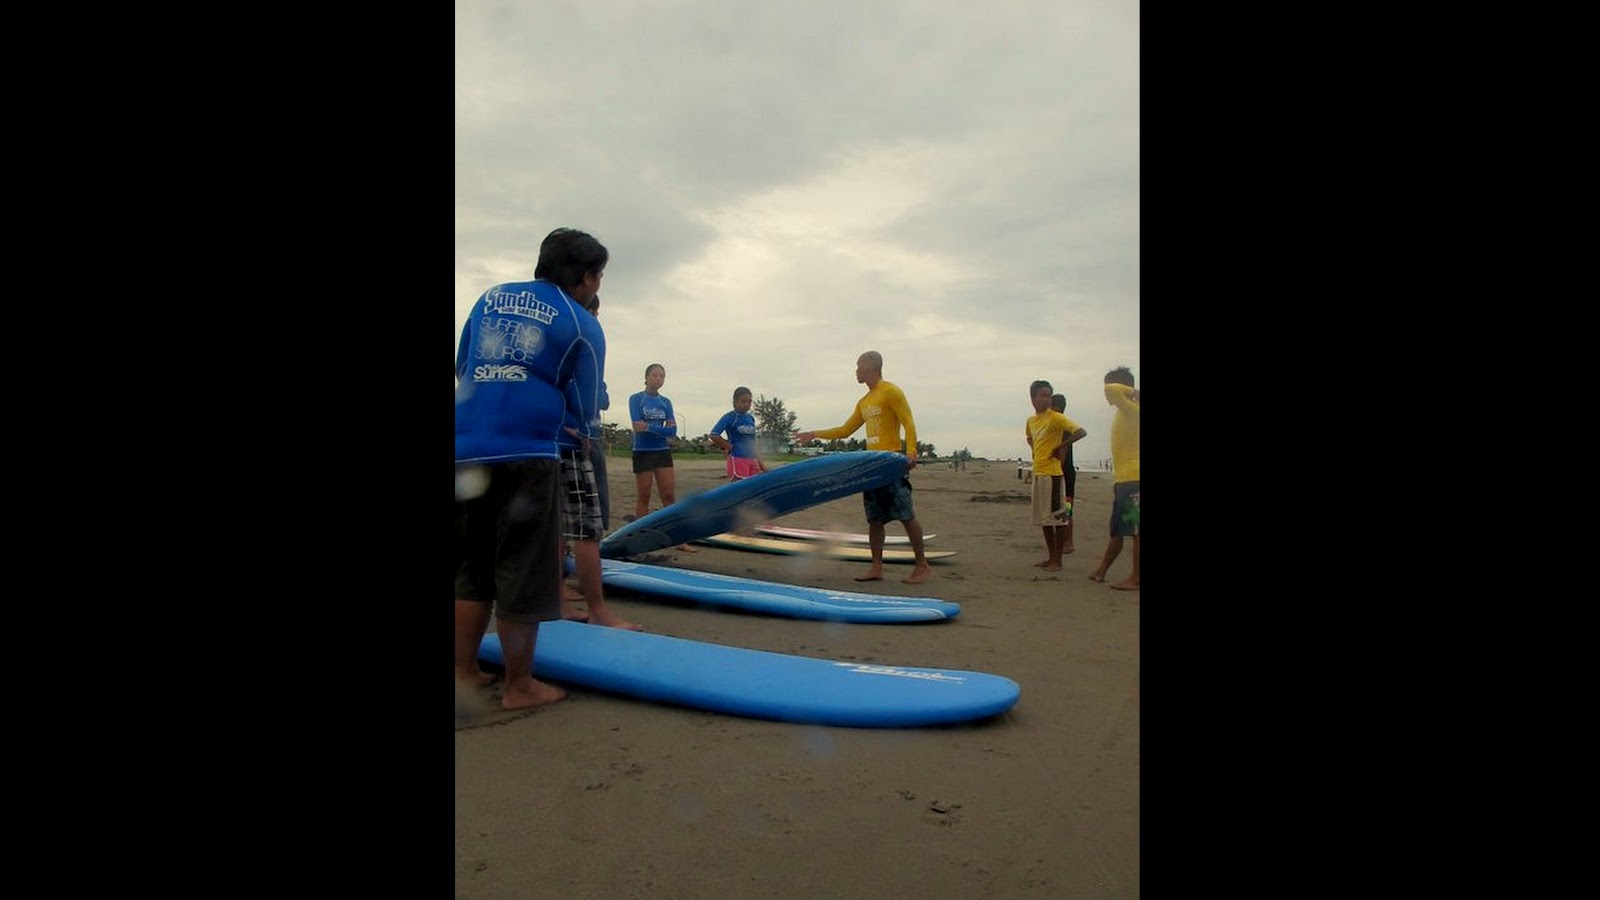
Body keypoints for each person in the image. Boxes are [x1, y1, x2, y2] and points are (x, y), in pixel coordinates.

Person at [455, 226, 608, 710]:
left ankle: (462, 672)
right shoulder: (580, 320)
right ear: (587, 276)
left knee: (470, 566)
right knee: (522, 566)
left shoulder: (490, 297)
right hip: (528, 454)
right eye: (599, 276)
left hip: (465, 448)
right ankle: (520, 687)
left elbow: (463, 365)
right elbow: (583, 405)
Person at [795, 350, 932, 584]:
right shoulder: (864, 402)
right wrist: (814, 434)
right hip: (872, 465)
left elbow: (908, 421)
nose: (856, 371)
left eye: (858, 366)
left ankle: (922, 565)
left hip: (891, 463)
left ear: (870, 366)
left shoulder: (891, 391)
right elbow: (845, 430)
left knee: (906, 514)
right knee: (874, 518)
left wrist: (911, 452)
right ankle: (876, 567)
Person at [555, 292, 639, 631]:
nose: (597, 318)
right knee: (586, 528)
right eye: (595, 311)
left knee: (562, 526)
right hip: (573, 441)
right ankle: (597, 609)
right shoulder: (578, 336)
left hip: (566, 438)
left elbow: (599, 397)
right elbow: (591, 398)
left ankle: (558, 597)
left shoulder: (557, 337)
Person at [629, 363, 696, 551]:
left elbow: (672, 431)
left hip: (662, 451)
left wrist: (650, 427)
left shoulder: (666, 402)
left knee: (668, 495)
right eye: (655, 375)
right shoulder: (636, 399)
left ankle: (678, 539)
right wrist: (660, 429)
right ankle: (638, 538)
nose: (658, 379)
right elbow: (636, 426)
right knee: (644, 495)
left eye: (662, 376)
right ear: (647, 377)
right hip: (642, 452)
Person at [1023, 380, 1088, 570]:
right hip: (1039, 473)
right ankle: (1050, 557)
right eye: (1042, 395)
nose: (1046, 399)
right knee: (1044, 519)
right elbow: (1029, 437)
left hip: (1054, 474)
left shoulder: (1056, 418)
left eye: (1048, 396)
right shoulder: (1031, 421)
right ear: (1033, 398)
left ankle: (1057, 561)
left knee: (1058, 519)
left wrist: (1060, 447)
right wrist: (1035, 450)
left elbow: (1081, 432)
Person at [1088, 366, 1140, 591]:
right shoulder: (1125, 410)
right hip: (1123, 480)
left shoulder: (1132, 408)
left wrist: (1131, 391)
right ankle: (1102, 571)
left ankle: (1136, 578)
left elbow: (1111, 389)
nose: (1106, 396)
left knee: (1137, 531)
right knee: (1117, 530)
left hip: (1135, 479)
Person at [707, 386, 768, 481]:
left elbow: (752, 444)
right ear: (735, 402)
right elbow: (714, 435)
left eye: (749, 402)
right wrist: (729, 447)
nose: (747, 404)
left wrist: (763, 466)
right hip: (738, 460)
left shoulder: (750, 419)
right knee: (742, 490)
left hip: (752, 460)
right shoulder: (730, 417)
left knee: (753, 490)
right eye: (743, 401)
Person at [1051, 393, 1082, 554]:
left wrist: (1057, 472)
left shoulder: (1062, 426)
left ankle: (1068, 543)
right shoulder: (1062, 425)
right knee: (1063, 509)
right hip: (1065, 472)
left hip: (1064, 473)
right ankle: (1064, 541)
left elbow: (1062, 451)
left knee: (1066, 509)